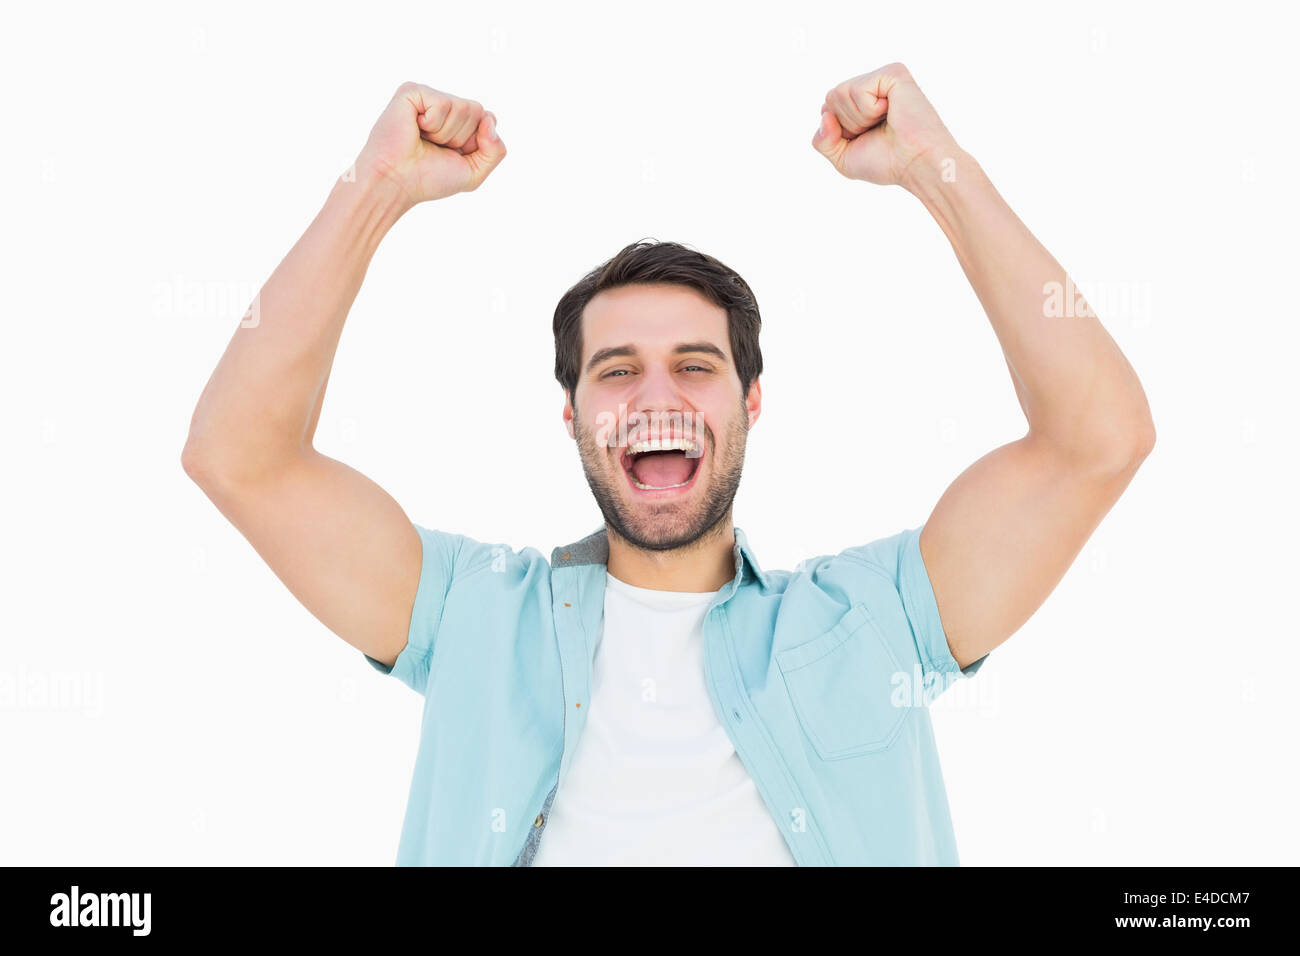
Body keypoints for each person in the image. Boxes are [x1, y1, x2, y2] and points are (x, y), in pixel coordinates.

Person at [181, 64, 1155, 866]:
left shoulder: (876, 623)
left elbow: (1097, 438)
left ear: (751, 402)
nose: (656, 398)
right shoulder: (469, 615)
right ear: (571, 414)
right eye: (617, 371)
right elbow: (240, 456)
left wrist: (939, 169)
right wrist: (375, 188)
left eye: (696, 365)